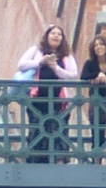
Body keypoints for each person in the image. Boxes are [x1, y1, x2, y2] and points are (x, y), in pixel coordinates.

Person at [14, 24, 76, 161]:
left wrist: (56, 68)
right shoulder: (37, 50)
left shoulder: (66, 56)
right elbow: (21, 64)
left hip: (58, 101)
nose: (56, 36)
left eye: (59, 34)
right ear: (47, 36)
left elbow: (73, 75)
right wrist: (41, 62)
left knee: (58, 131)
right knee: (37, 129)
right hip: (37, 99)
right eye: (53, 33)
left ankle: (58, 161)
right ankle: (35, 160)